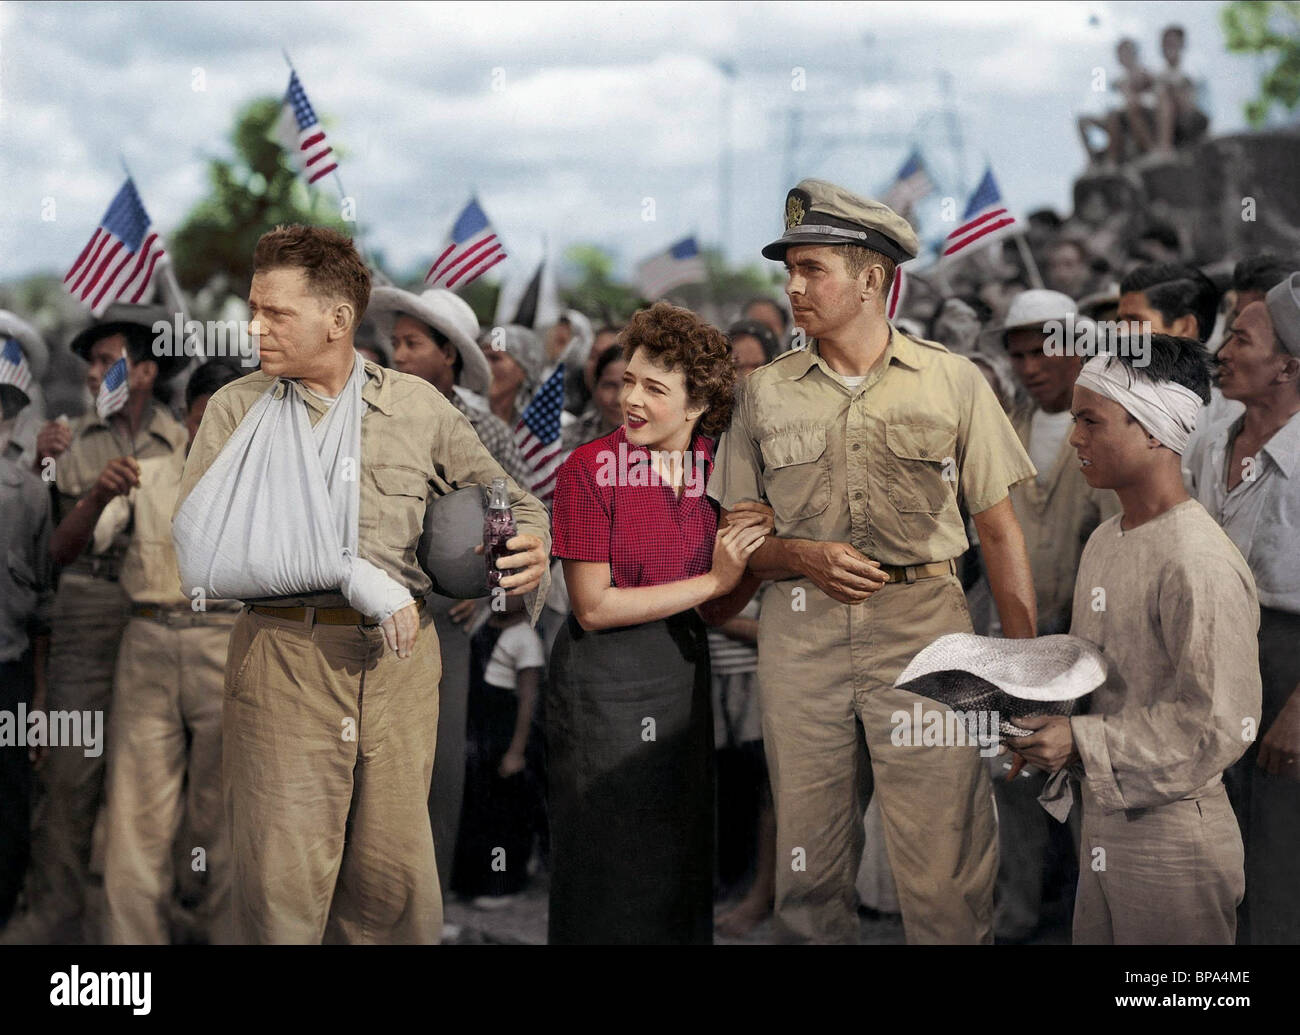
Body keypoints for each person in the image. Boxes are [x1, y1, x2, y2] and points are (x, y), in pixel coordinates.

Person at [173, 226, 551, 944]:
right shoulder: (236, 408)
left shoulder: (418, 408)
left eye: (275, 312)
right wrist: (343, 570)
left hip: (399, 668)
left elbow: (510, 500)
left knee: (392, 893)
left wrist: (528, 546)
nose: (256, 326)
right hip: (286, 659)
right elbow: (202, 557)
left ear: (337, 320)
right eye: (254, 308)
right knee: (282, 897)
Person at [708, 179, 1039, 944]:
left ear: (871, 279)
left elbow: (1000, 532)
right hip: (801, 634)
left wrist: (1022, 679)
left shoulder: (954, 381)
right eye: (787, 268)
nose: (792, 286)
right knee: (809, 866)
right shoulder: (760, 395)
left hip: (926, 630)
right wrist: (800, 554)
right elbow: (740, 537)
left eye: (811, 267)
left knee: (944, 863)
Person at [1014, 333, 1259, 944]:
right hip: (1106, 816)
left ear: (1155, 429)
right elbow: (1102, 672)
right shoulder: (1108, 537)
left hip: (1173, 837)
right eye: (1075, 420)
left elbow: (1216, 724)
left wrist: (1079, 740)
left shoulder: (1196, 559)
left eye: (1091, 421)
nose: (1075, 439)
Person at [547, 301, 771, 945]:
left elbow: (713, 608)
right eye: (628, 382)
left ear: (698, 402)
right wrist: (717, 579)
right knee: (607, 855)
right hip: (600, 686)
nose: (631, 399)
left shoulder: (720, 473)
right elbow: (593, 605)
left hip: (681, 674)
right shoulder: (588, 469)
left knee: (676, 851)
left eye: (654, 387)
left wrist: (749, 565)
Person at [3, 304, 188, 945]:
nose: (91, 373)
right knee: (70, 772)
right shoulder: (62, 440)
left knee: (152, 782)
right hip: (83, 613)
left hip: (164, 618)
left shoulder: (185, 439)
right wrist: (48, 469)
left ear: (144, 372)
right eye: (89, 362)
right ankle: (54, 910)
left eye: (107, 360)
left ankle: (141, 924)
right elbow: (48, 546)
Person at [39, 360, 242, 944]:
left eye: (234, 415)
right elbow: (71, 545)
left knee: (226, 813)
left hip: (229, 644)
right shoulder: (146, 474)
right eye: (206, 415)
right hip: (149, 639)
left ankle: (220, 932)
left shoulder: (267, 483)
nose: (217, 428)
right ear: (186, 416)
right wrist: (97, 495)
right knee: (136, 816)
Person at [992, 290, 1121, 942]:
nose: (1028, 366)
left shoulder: (1104, 422)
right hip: (1014, 643)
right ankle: (1016, 916)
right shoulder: (1003, 427)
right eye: (1017, 354)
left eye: (1042, 350)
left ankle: (1092, 926)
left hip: (1085, 648)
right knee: (1013, 780)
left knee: (1087, 794)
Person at [1187, 273, 1300, 943]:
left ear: (1287, 365)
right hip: (1215, 647)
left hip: (1286, 658)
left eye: (1240, 338)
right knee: (1214, 835)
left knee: (1279, 848)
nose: (1220, 351)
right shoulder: (1213, 437)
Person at [0, 334, 54, 931]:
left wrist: (38, 700)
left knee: (12, 800)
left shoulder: (29, 491)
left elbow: (42, 604)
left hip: (7, 671)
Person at [450, 604, 546, 907]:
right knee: (475, 813)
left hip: (504, 734)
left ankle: (501, 885)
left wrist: (516, 752)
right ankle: (468, 882)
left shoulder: (525, 638)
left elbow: (529, 702)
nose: (503, 594)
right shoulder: (482, 620)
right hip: (477, 733)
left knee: (501, 818)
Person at [1153, 24, 1208, 154]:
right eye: (1165, 43)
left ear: (1182, 44)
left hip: (1194, 118)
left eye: (1172, 42)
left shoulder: (1193, 65)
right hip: (1173, 123)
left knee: (1166, 92)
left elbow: (1186, 86)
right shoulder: (1159, 71)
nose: (1167, 47)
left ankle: (1164, 147)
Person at [563, 343, 626, 451]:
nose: (618, 399)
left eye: (630, 386)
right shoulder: (570, 437)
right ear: (595, 386)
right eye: (610, 386)